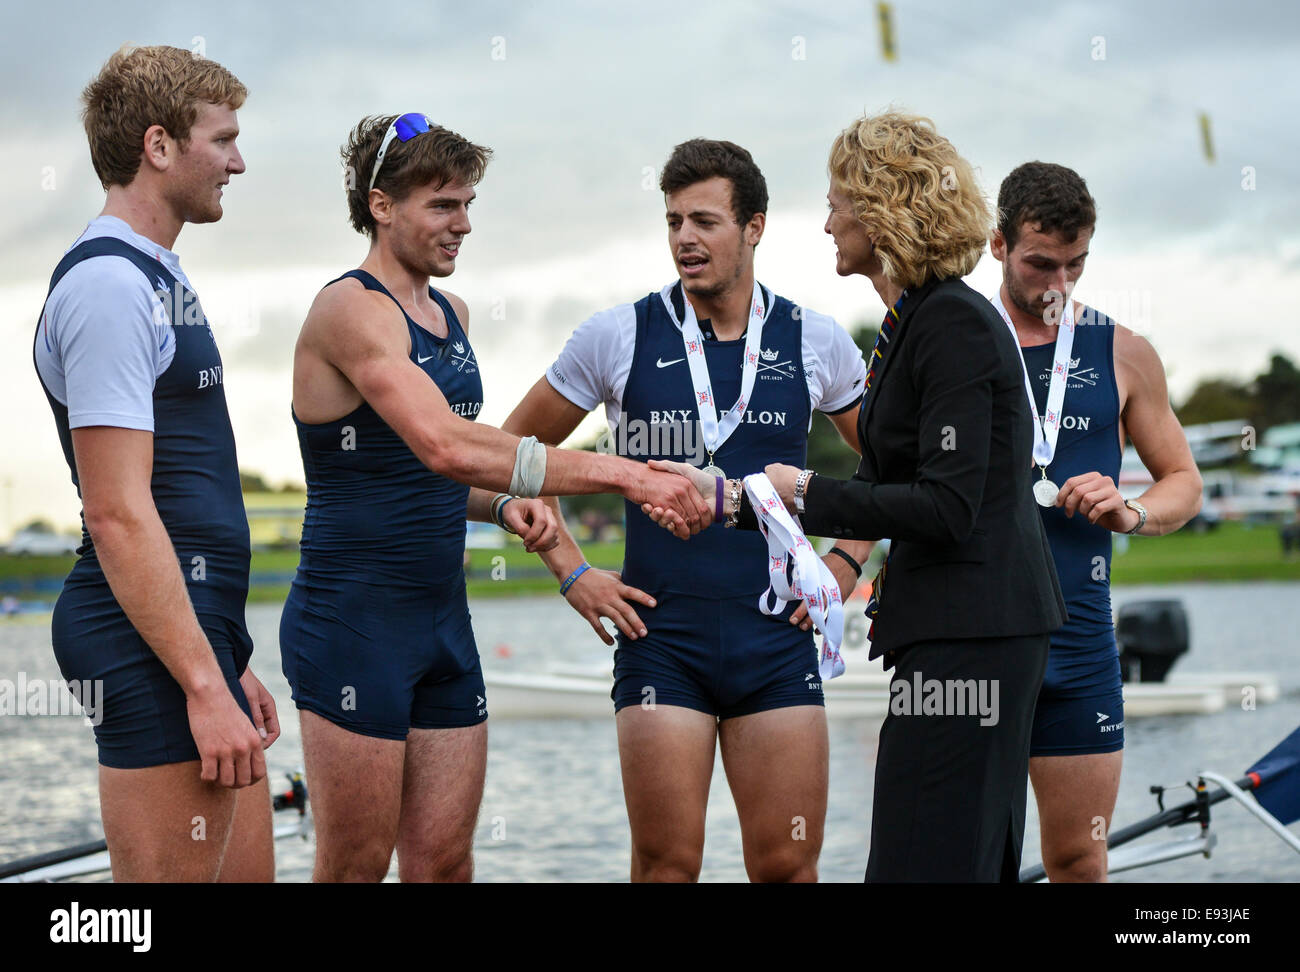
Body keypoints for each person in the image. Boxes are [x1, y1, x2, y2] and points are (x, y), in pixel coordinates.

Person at [280, 114, 711, 882]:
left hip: (442, 626)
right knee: (354, 865)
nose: (464, 225)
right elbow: (445, 445)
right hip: (352, 624)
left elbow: (464, 477)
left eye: (469, 203)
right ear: (381, 205)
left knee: (445, 863)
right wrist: (624, 471)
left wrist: (532, 533)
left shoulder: (453, 317)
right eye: (443, 205)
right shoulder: (349, 310)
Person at [655, 112, 1068, 882]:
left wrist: (803, 491)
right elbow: (900, 487)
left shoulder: (953, 324)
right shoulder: (915, 319)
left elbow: (947, 508)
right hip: (951, 631)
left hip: (975, 635)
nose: (826, 222)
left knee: (930, 858)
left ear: (883, 210)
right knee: (935, 853)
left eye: (839, 202)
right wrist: (752, 504)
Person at [501, 139, 872, 882]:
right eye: (673, 221)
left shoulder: (817, 339)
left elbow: (891, 466)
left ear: (755, 226)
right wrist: (574, 573)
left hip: (775, 643)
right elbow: (504, 457)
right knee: (667, 866)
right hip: (660, 644)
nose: (684, 239)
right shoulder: (616, 335)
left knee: (788, 865)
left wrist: (843, 561)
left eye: (704, 220)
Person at [32, 45, 279, 882]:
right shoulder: (108, 285)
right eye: (224, 139)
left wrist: (228, 660)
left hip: (194, 635)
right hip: (139, 643)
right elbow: (116, 512)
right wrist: (201, 684)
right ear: (159, 146)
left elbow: (185, 485)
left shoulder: (157, 272)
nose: (238, 161)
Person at [989, 162, 1203, 882]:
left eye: (1075, 265)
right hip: (974, 647)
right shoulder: (954, 343)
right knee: (963, 860)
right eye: (1040, 263)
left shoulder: (1124, 351)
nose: (1058, 284)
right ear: (997, 245)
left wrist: (1131, 510)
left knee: (1080, 858)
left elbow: (1185, 483)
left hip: (1079, 646)